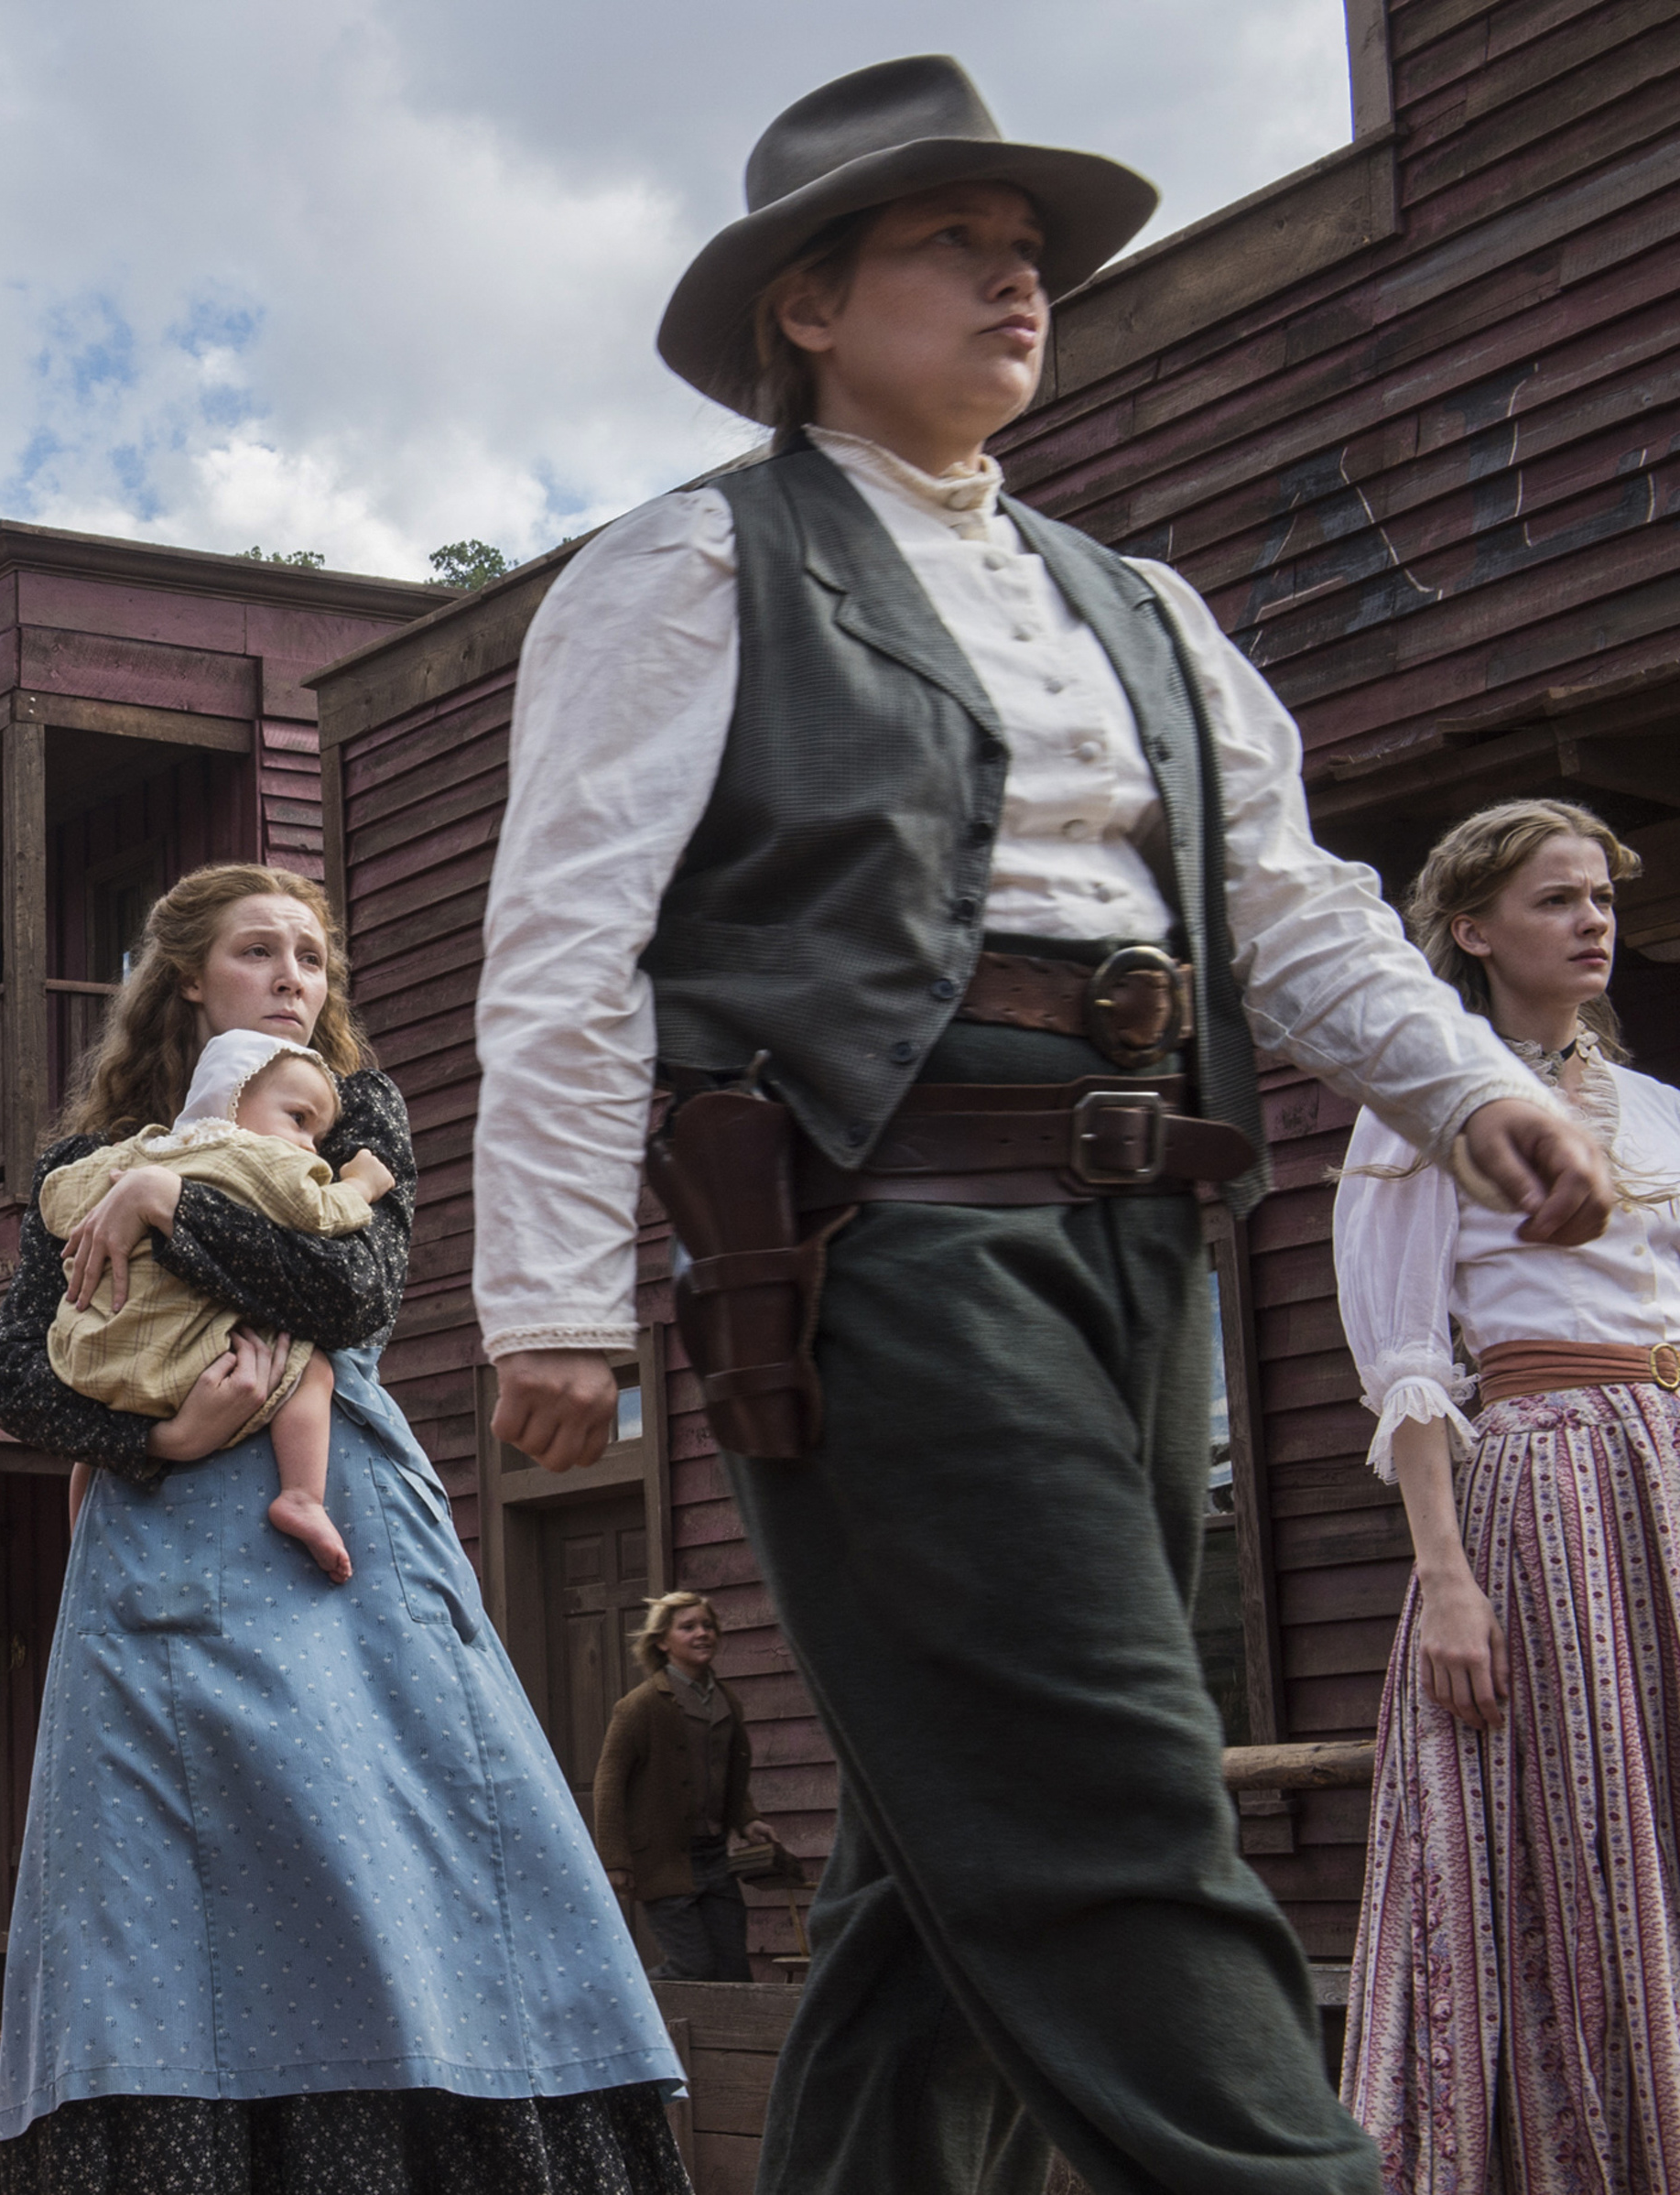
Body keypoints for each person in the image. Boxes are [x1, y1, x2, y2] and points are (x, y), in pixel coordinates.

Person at [471, 53, 1616, 2195]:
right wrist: (547, 1292)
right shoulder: (691, 568)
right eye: (954, 246)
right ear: (805, 308)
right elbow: (564, 941)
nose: (1016, 283)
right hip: (878, 1235)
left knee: (938, 1845)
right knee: (1111, 1785)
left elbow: (1288, 905)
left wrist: (1461, 1087)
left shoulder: (1145, 606)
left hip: (1148, 1242)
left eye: (1030, 258)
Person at [0, 862, 687, 2195]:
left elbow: (352, 1285)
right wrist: (157, 1435)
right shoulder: (80, 1170)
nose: (296, 978)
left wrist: (171, 1206)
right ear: (190, 979)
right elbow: (15, 1372)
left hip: (342, 1528)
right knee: (152, 1886)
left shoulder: (350, 1111)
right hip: (151, 1555)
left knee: (380, 1841)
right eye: (261, 952)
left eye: (313, 957)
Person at [1332, 799, 1680, 2194]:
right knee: (1581, 1819)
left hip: (1673, 1451)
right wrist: (1448, 1576)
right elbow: (1408, 1359)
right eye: (1554, 899)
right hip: (1545, 1471)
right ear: (1473, 929)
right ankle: (1595, 2148)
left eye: (1600, 896)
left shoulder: (1658, 1113)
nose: (1591, 920)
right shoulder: (1427, 1106)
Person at [45, 1027, 398, 1581]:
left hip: (88, 1352)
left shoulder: (147, 1150)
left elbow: (56, 1197)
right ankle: (302, 1497)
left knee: (95, 1447)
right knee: (315, 1370)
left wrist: (110, 1191)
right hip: (186, 1363)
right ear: (233, 1102)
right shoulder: (254, 1156)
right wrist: (362, 1184)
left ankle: (81, 1536)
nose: (309, 1146)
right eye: (299, 1120)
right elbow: (321, 1214)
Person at [593, 1593, 773, 1984]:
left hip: (714, 1857)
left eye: (708, 1626)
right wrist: (615, 1859)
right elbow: (608, 1782)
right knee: (693, 1970)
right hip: (664, 1860)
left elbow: (725, 1772)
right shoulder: (640, 1706)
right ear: (662, 1641)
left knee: (733, 1973)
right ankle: (624, 2000)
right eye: (688, 1627)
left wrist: (747, 1819)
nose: (702, 1634)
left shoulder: (727, 1702)